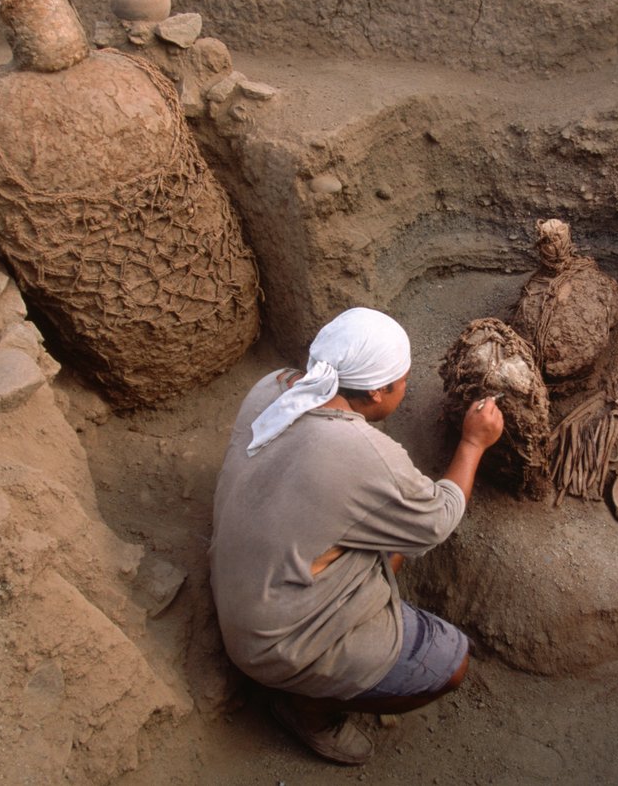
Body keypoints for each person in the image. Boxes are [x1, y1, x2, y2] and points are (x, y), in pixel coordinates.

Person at [209, 307, 504, 765]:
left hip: (248, 584)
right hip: (274, 640)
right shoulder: (363, 455)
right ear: (377, 390)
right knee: (452, 664)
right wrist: (473, 444)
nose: (405, 389)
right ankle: (306, 710)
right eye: (403, 381)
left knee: (383, 533)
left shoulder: (275, 386)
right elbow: (439, 519)